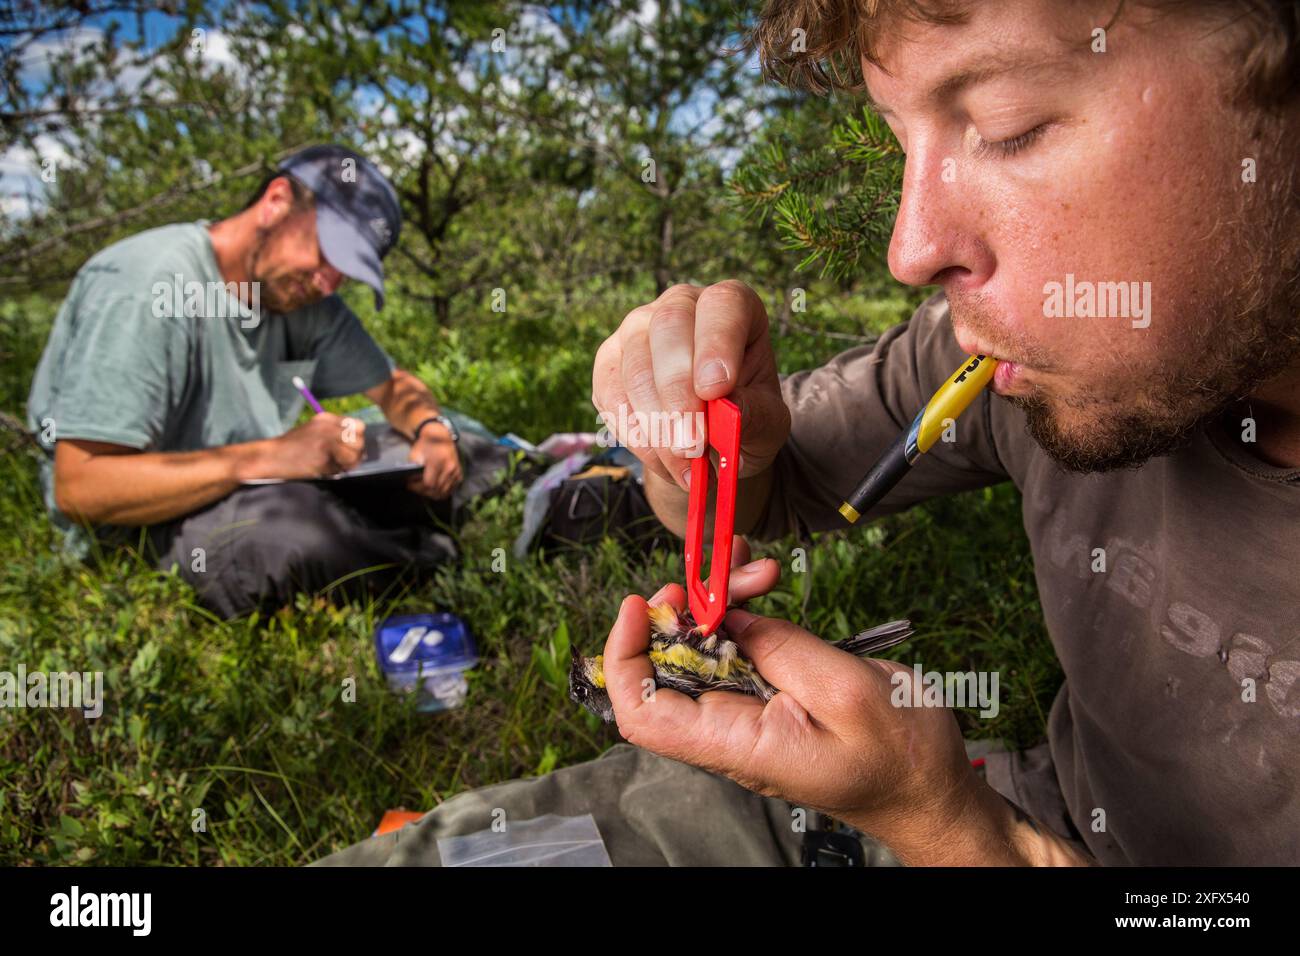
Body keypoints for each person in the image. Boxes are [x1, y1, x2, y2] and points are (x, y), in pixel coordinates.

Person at [319, 0, 1298, 866]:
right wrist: (699, 445)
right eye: (898, 140)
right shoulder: (1003, 363)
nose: (910, 248)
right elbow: (779, 486)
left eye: (1007, 125)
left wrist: (954, 832)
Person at [26, 145, 465, 619]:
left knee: (465, 446)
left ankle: (421, 543)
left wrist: (431, 429)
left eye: (346, 273)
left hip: (253, 485)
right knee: (297, 538)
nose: (327, 283)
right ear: (276, 201)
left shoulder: (304, 301)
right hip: (144, 523)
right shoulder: (148, 286)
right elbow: (80, 487)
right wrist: (268, 456)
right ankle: (441, 562)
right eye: (326, 254)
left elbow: (395, 386)